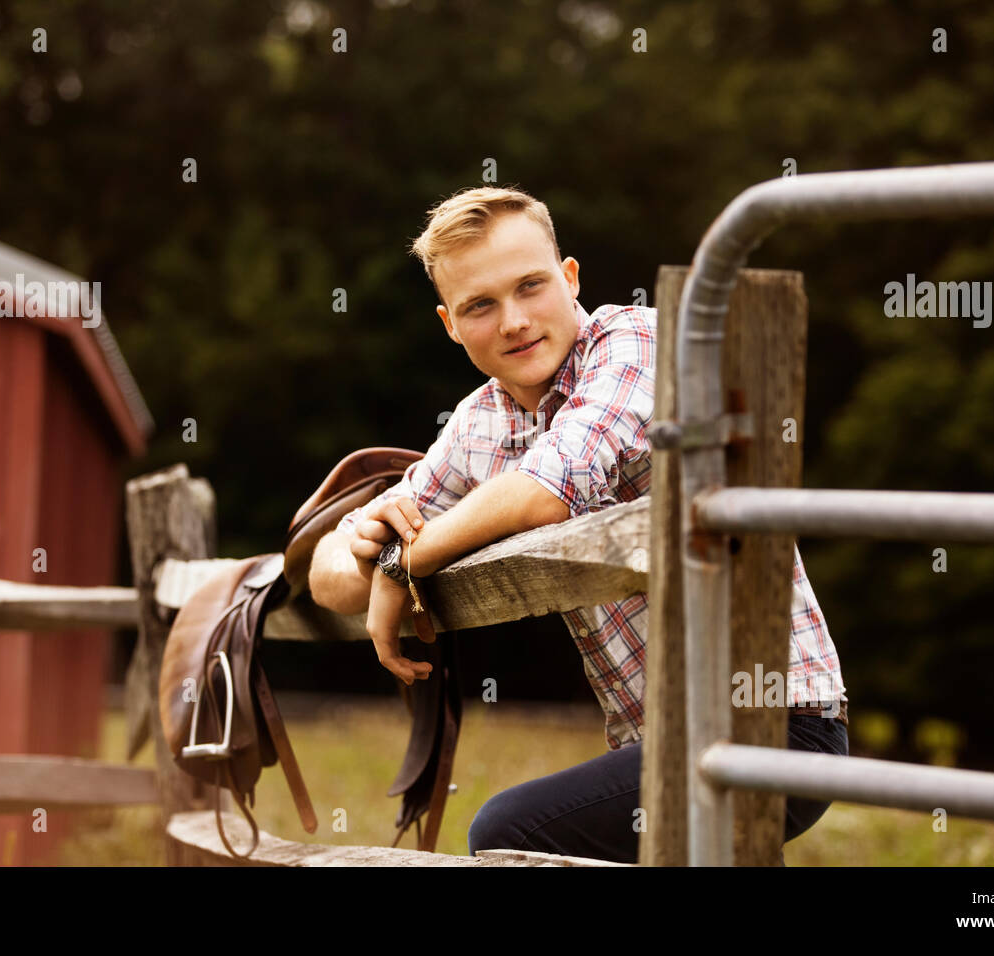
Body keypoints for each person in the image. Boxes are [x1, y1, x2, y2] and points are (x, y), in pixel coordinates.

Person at [307, 185, 849, 864]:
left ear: (570, 279)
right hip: (657, 743)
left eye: (529, 286)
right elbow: (330, 581)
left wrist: (400, 562)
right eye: (480, 305)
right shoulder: (480, 421)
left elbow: (549, 486)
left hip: (773, 726)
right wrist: (362, 548)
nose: (512, 321)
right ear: (449, 323)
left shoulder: (635, 343)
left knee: (509, 831)